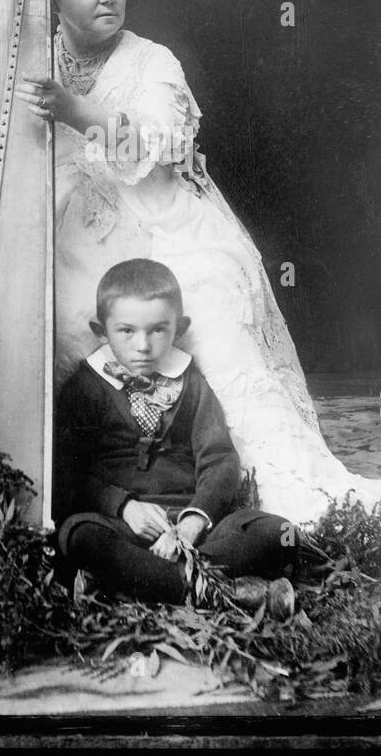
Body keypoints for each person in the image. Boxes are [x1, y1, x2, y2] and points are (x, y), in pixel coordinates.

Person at [19, 0, 381, 584]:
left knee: (202, 308)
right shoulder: (34, 55)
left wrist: (73, 110)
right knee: (50, 315)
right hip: (80, 237)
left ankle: (243, 498)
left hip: (166, 228)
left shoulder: (153, 63)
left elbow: (154, 149)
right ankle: (97, 485)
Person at [53, 257, 296, 614]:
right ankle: (226, 591)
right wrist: (124, 506)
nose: (143, 345)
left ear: (178, 328)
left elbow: (219, 459)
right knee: (80, 536)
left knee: (279, 532)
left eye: (157, 330)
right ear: (101, 330)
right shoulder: (85, 387)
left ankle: (145, 585)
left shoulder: (192, 383)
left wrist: (193, 522)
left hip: (192, 530)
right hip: (121, 525)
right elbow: (68, 471)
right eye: (127, 331)